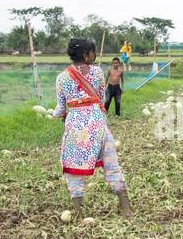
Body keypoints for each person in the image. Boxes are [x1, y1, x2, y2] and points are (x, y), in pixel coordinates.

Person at [54, 37, 132, 216]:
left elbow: (60, 109)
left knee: (73, 166)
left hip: (76, 127)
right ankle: (126, 207)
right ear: (85, 55)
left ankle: (78, 210)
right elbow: (100, 96)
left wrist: (55, 114)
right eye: (93, 52)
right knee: (111, 163)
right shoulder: (97, 73)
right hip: (97, 124)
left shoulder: (61, 78)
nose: (95, 55)